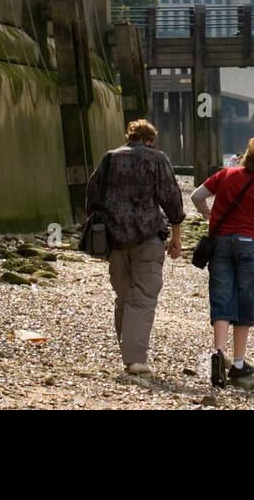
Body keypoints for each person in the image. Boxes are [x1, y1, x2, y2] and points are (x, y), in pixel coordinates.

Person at [83, 119, 185, 377]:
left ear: (129, 137)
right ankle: (135, 360)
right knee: (143, 296)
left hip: (114, 239)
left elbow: (92, 195)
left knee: (124, 297)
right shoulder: (157, 159)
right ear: (150, 140)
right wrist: (176, 237)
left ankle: (128, 355)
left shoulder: (109, 159)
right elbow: (171, 198)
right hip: (147, 235)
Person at [191, 136, 254, 389]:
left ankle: (218, 352)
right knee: (244, 300)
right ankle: (238, 364)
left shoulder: (225, 174)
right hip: (246, 244)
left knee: (220, 296)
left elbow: (197, 195)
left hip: (219, 243)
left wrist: (204, 211)